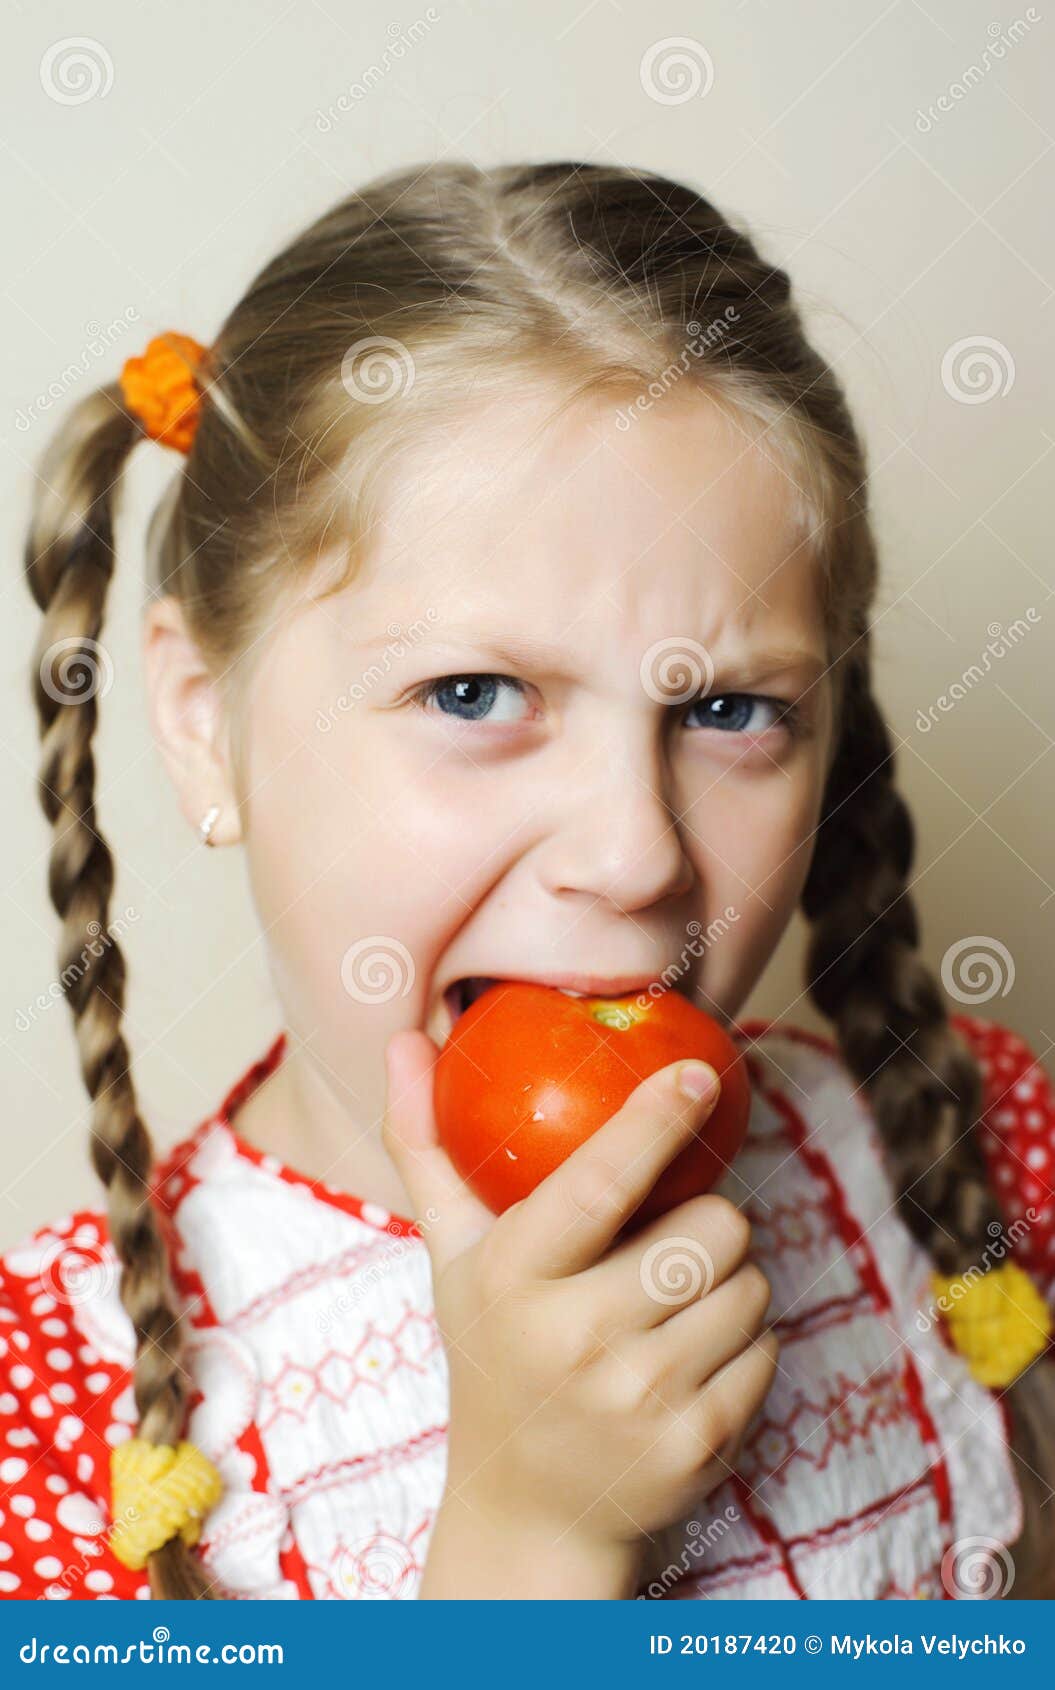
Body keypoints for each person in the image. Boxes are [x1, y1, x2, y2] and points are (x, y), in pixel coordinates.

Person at [5, 161, 1052, 1602]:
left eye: (731, 710)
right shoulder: (61, 1419)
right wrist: (536, 1538)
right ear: (202, 721)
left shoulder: (966, 1155)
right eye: (475, 692)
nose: (634, 853)